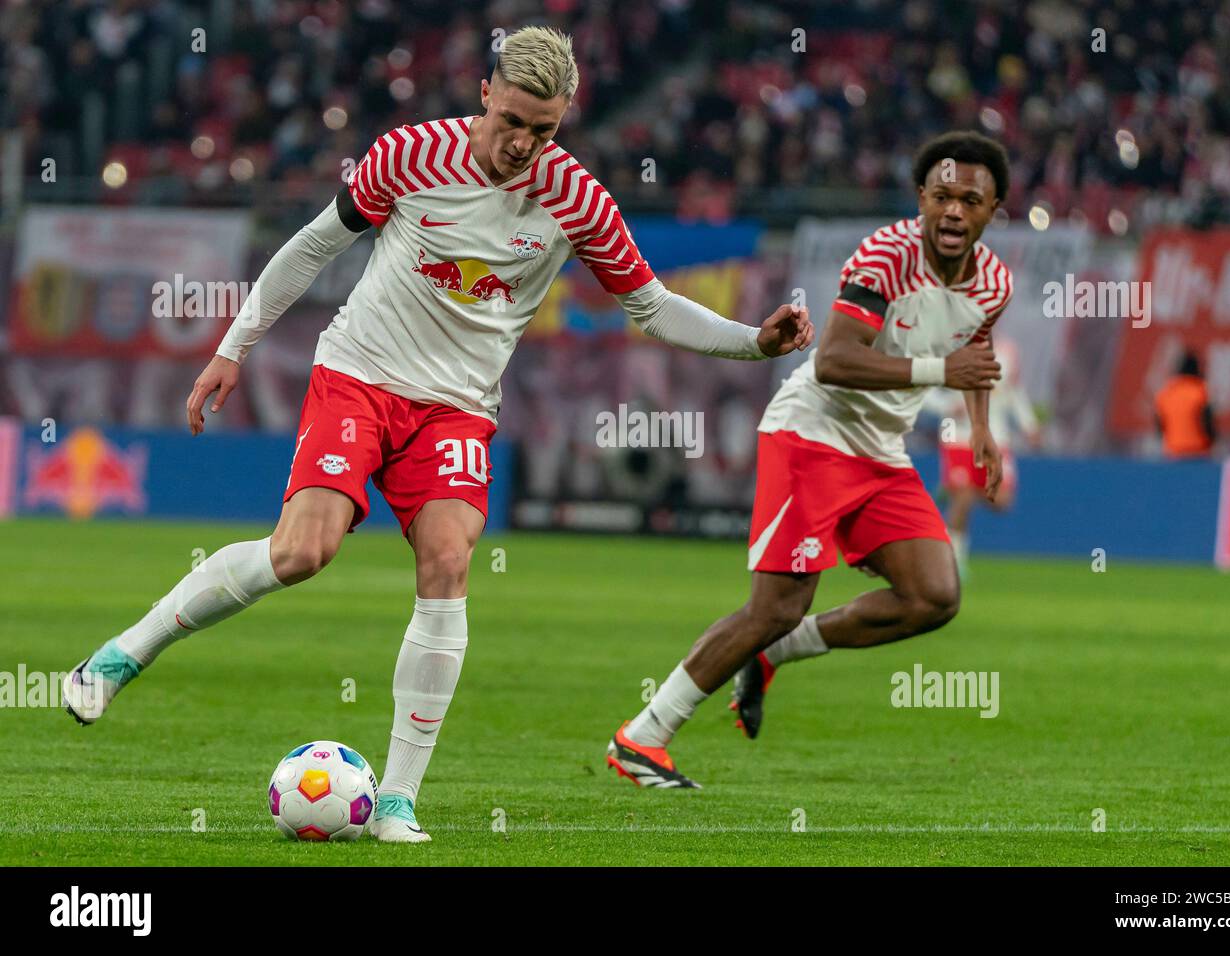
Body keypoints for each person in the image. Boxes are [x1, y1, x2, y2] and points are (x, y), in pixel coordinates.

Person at [61, 27, 814, 840]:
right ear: (485, 93)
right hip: (359, 375)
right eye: (514, 120)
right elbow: (313, 245)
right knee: (301, 554)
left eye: (545, 130)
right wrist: (232, 348)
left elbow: (651, 305)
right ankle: (124, 652)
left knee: (449, 560)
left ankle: (395, 799)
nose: (522, 143)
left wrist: (752, 342)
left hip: (456, 409)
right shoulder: (410, 155)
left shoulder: (577, 199)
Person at [607, 131, 1012, 787]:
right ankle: (642, 736)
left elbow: (977, 354)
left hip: (880, 450)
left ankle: (775, 656)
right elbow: (835, 359)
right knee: (774, 606)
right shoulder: (885, 258)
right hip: (814, 433)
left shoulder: (994, 283)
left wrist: (982, 429)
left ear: (995, 209)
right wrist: (943, 368)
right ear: (921, 199)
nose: (955, 212)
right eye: (942, 196)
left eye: (971, 199)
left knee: (934, 594)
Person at [928, 340, 1039, 577]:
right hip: (958, 435)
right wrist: (946, 407)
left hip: (995, 436)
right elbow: (923, 388)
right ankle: (955, 562)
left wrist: (1029, 425)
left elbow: (1014, 391)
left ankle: (951, 489)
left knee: (1002, 501)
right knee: (964, 497)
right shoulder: (948, 345)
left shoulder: (1007, 351)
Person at [1155, 352, 1215, 458]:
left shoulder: (1166, 393)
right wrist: (1212, 440)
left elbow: (1159, 424)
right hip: (1199, 452)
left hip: (1172, 453)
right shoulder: (1200, 391)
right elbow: (1207, 422)